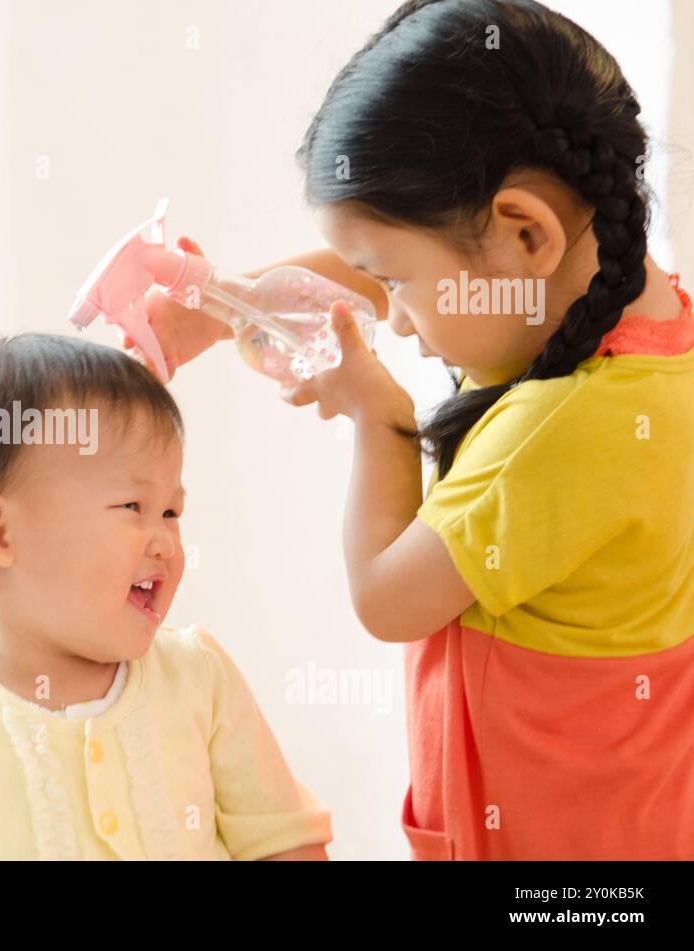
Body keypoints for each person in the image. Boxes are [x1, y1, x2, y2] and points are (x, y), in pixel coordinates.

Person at [138, 0, 694, 859]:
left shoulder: (557, 432)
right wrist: (223, 308)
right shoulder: (627, 334)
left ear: (524, 233)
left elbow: (388, 599)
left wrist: (379, 417)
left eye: (395, 285)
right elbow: (396, 261)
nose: (394, 320)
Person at [0, 334, 332, 859]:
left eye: (171, 512)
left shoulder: (199, 680)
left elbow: (286, 845)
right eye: (132, 505)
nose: (165, 541)